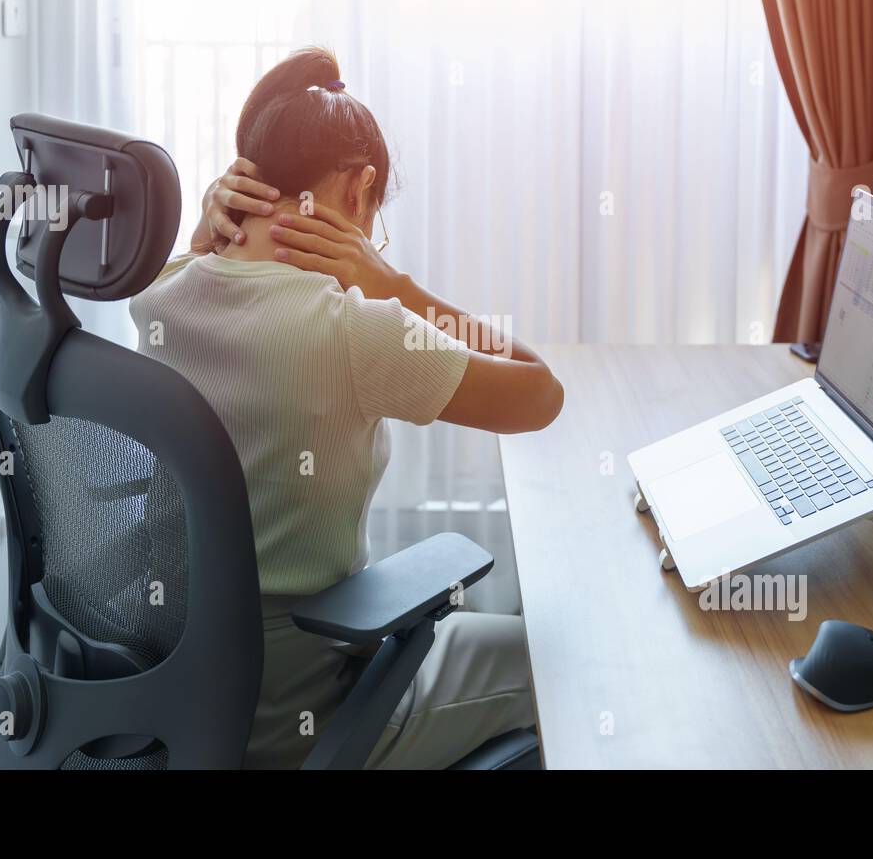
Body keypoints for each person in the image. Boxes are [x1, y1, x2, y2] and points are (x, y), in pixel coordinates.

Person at [130, 46, 564, 768]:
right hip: (304, 711)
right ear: (360, 189)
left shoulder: (160, 295)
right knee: (562, 659)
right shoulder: (353, 329)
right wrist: (397, 286)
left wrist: (208, 233)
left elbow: (202, 267)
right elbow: (541, 392)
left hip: (178, 694)